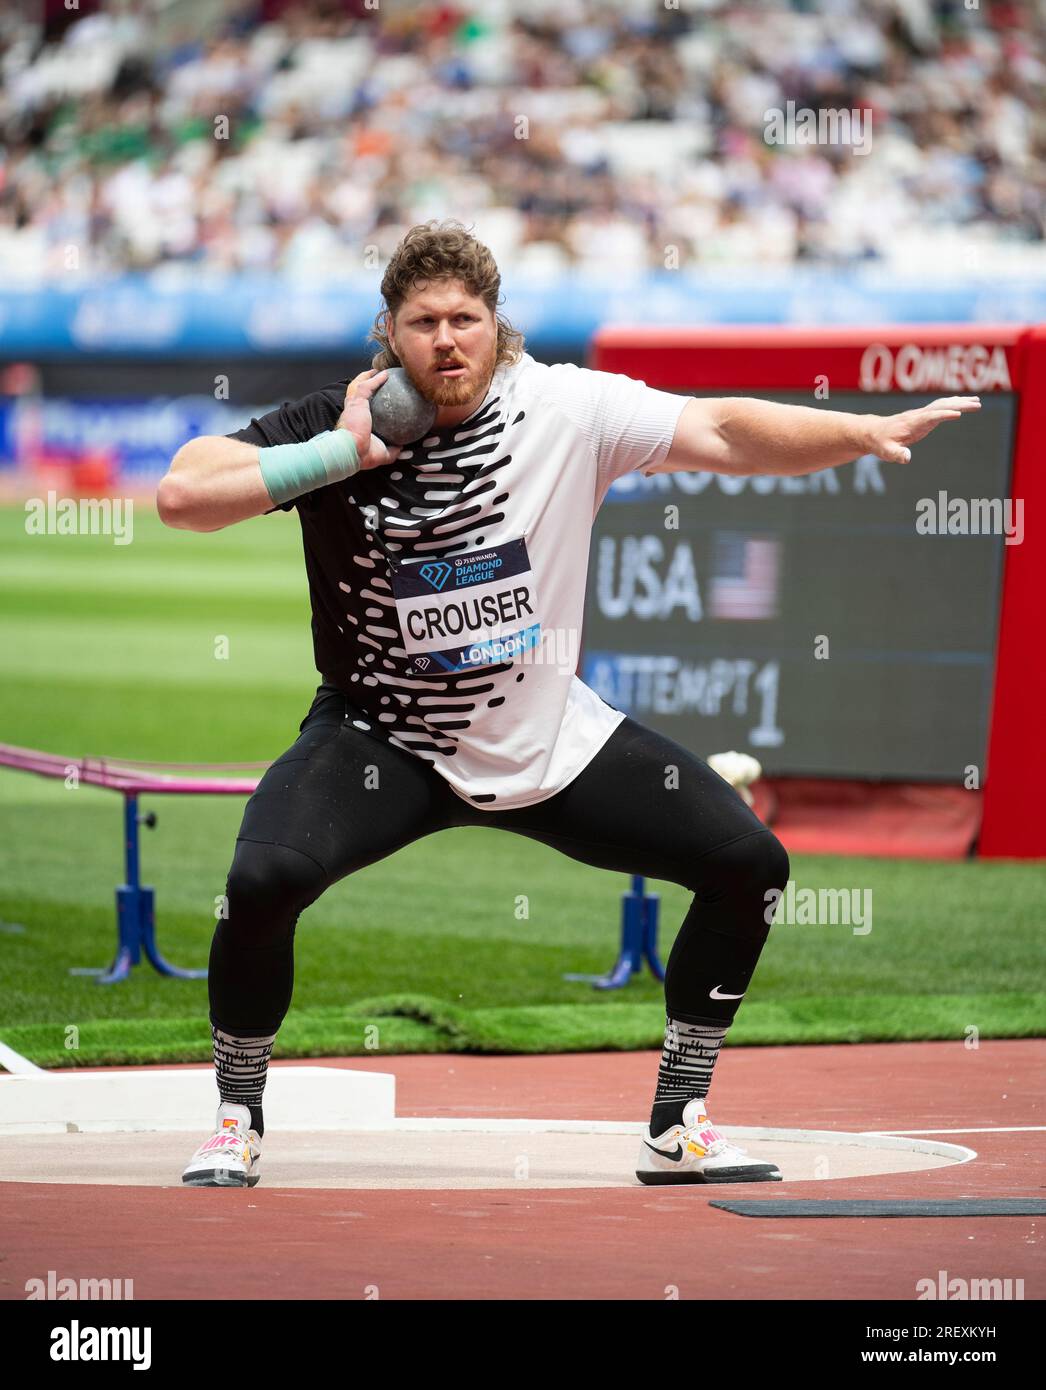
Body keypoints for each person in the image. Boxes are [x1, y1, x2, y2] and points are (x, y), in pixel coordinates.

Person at [158, 220, 980, 1188]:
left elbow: (717, 429)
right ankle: (236, 1115)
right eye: (423, 321)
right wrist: (338, 456)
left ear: (496, 324)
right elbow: (181, 495)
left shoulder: (565, 408)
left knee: (747, 862)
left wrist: (858, 431)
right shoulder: (336, 424)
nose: (446, 339)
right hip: (384, 738)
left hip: (546, 737)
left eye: (465, 317)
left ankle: (678, 1122)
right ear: (388, 331)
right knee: (260, 883)